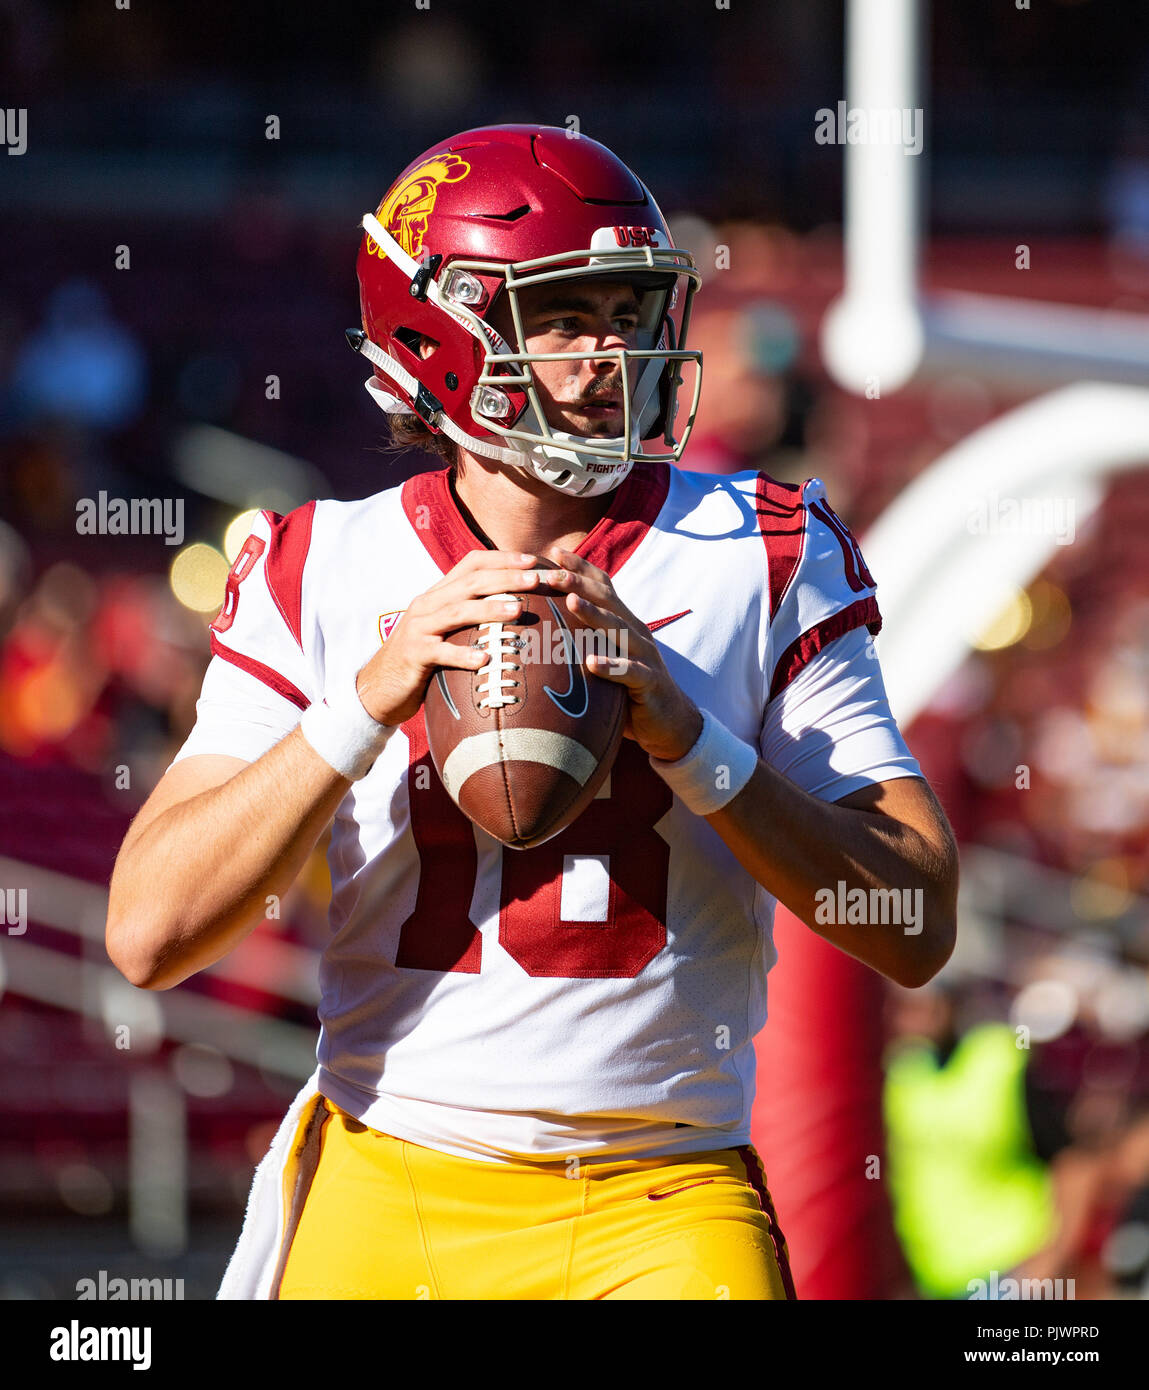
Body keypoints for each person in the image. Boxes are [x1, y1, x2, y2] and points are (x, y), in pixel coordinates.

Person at [106, 124, 958, 1301]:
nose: (614, 355)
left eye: (631, 311)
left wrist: (693, 742)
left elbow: (913, 917)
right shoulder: (322, 563)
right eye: (567, 318)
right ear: (437, 335)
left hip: (663, 1192)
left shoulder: (760, 548)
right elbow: (150, 933)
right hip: (388, 1170)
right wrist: (362, 704)